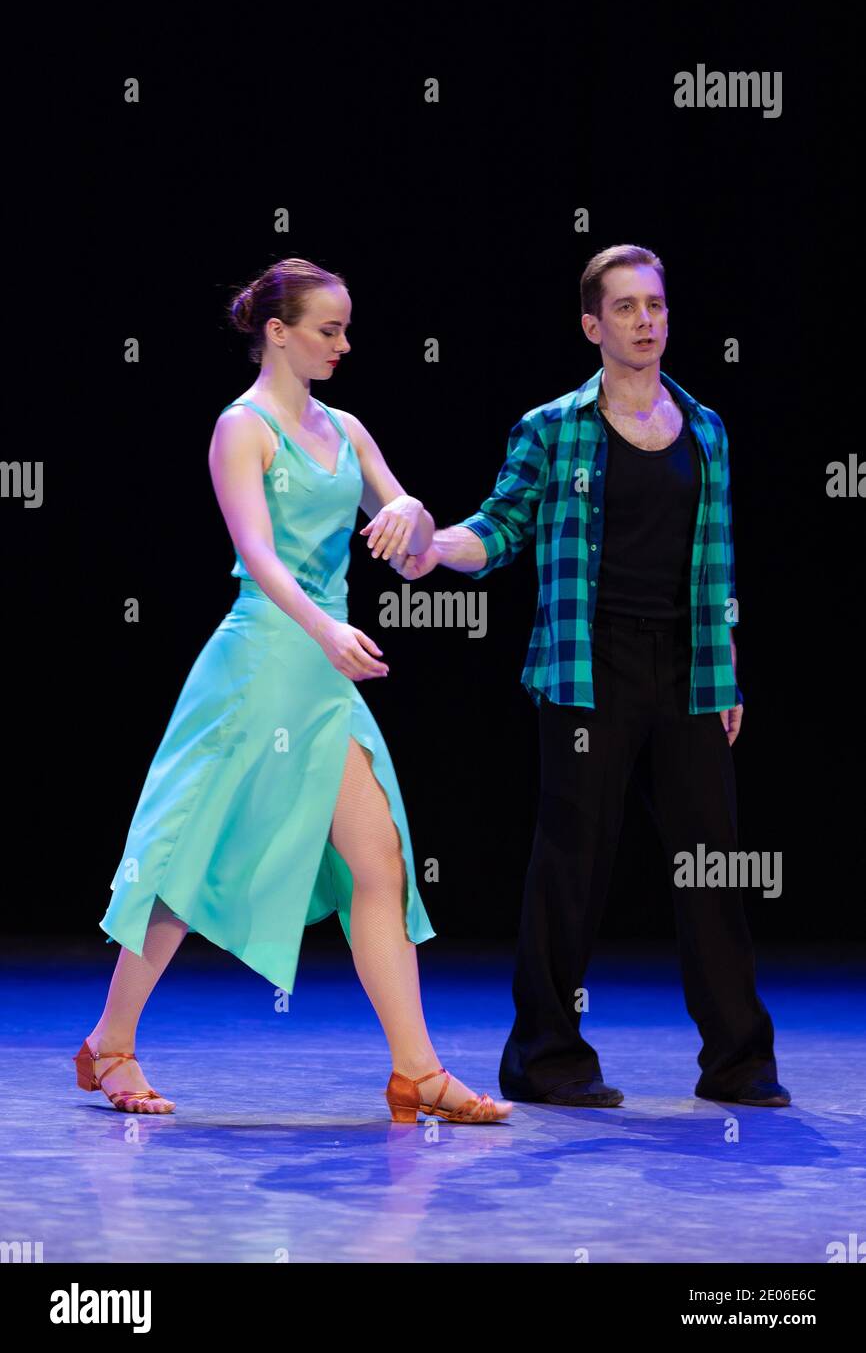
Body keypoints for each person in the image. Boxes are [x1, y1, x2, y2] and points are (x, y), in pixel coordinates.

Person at [75, 256, 512, 1124]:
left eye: (346, 328)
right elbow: (259, 556)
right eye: (328, 329)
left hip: (324, 677)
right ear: (277, 333)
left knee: (378, 864)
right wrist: (323, 629)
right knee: (187, 858)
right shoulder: (242, 427)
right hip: (261, 669)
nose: (344, 344)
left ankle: (417, 1071)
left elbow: (416, 549)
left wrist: (414, 513)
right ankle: (108, 1045)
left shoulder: (347, 430)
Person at [391, 244, 790, 1108]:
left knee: (710, 864)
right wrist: (434, 550)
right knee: (573, 862)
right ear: (591, 325)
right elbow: (498, 529)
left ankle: (738, 1060)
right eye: (626, 308)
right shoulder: (553, 428)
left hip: (685, 668)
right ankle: (546, 1057)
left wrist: (725, 676)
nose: (646, 321)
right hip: (588, 663)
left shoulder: (707, 428)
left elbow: (718, 570)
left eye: (656, 305)